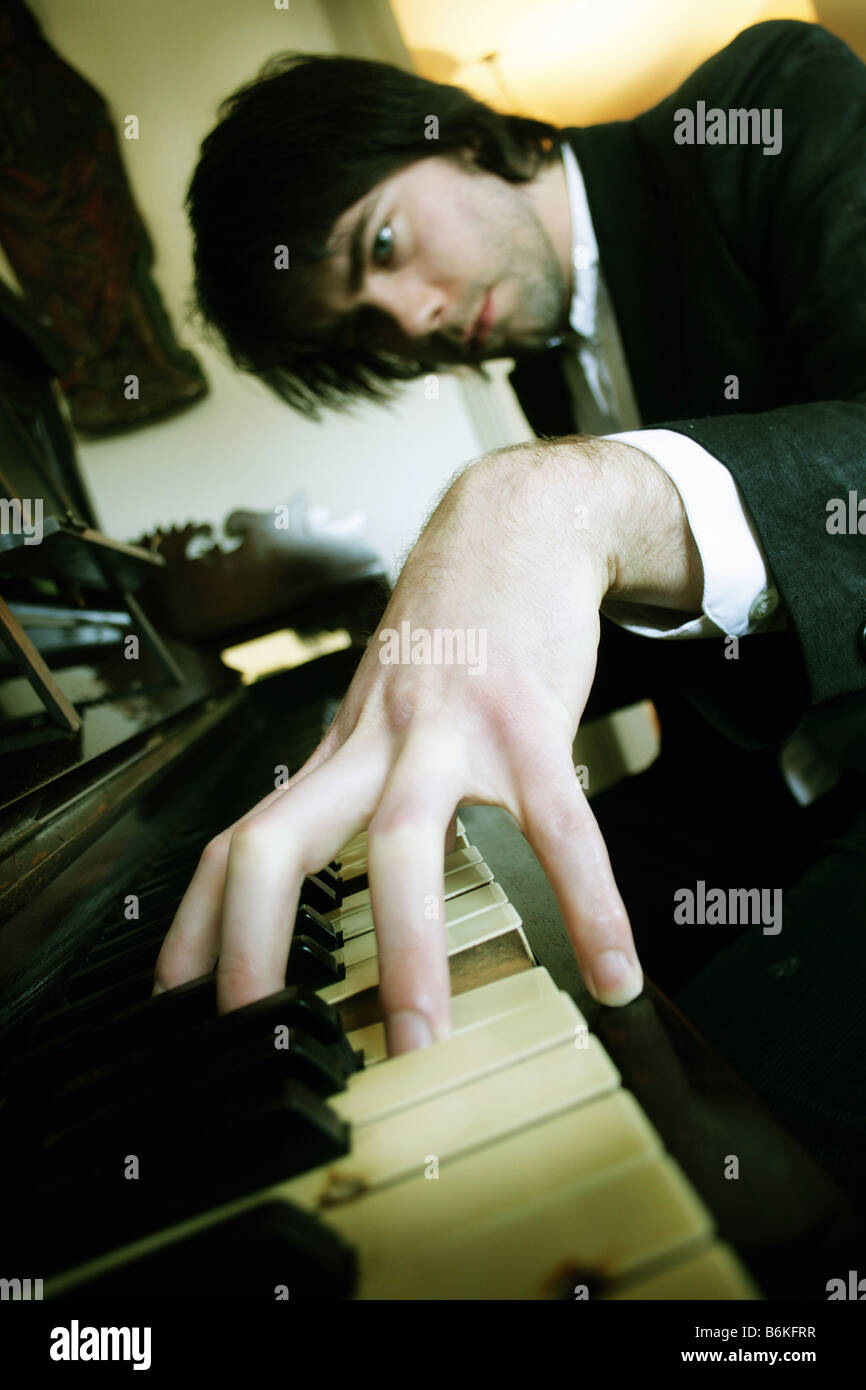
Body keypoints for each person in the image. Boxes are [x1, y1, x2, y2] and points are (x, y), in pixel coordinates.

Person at [155, 19, 866, 1193]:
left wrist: (559, 499)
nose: (413, 320)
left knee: (685, 1153)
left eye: (382, 244)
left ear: (448, 131)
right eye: (361, 331)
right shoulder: (547, 352)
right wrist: (355, 669)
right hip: (755, 792)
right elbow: (622, 627)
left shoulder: (766, 104)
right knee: (418, 1008)